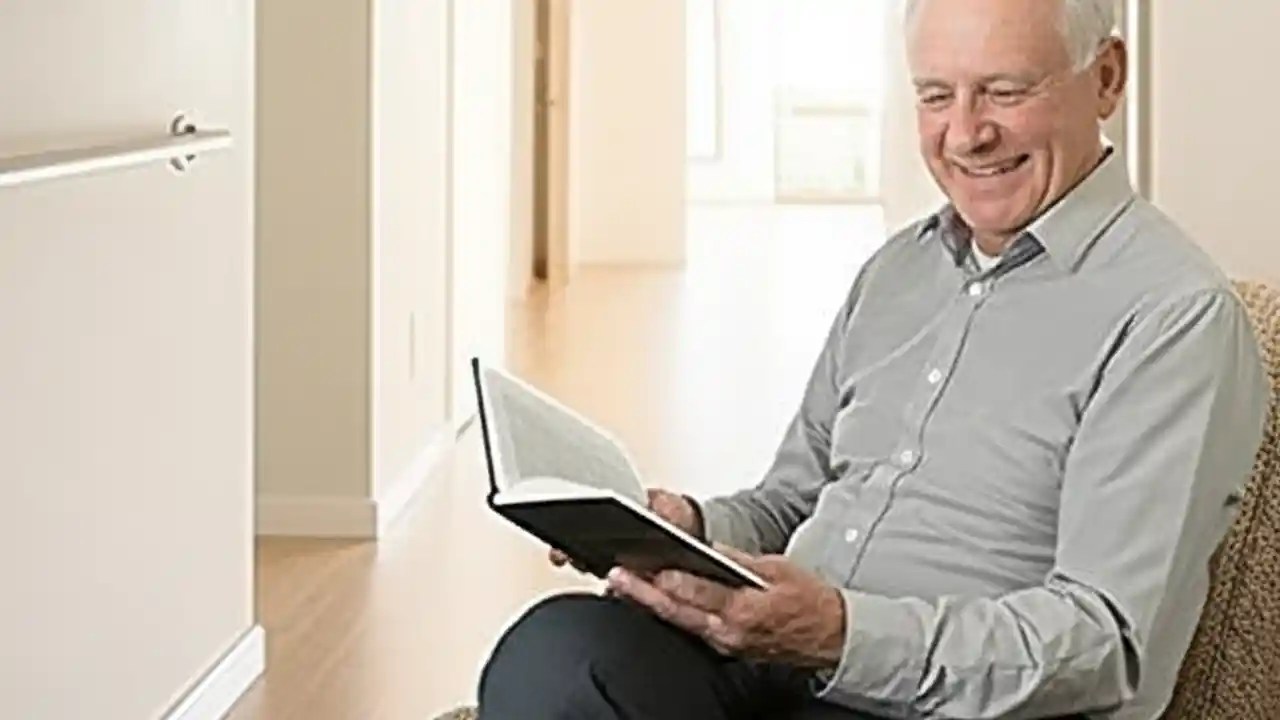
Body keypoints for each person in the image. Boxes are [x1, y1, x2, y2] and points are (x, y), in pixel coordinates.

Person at [477, 0, 1268, 717]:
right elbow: (792, 500)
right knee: (557, 657)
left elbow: (1103, 641)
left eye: (1004, 90)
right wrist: (685, 526)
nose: (965, 134)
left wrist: (838, 635)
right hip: (774, 662)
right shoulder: (898, 272)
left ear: (1106, 79)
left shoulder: (1174, 316)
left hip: (947, 706)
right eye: (935, 95)